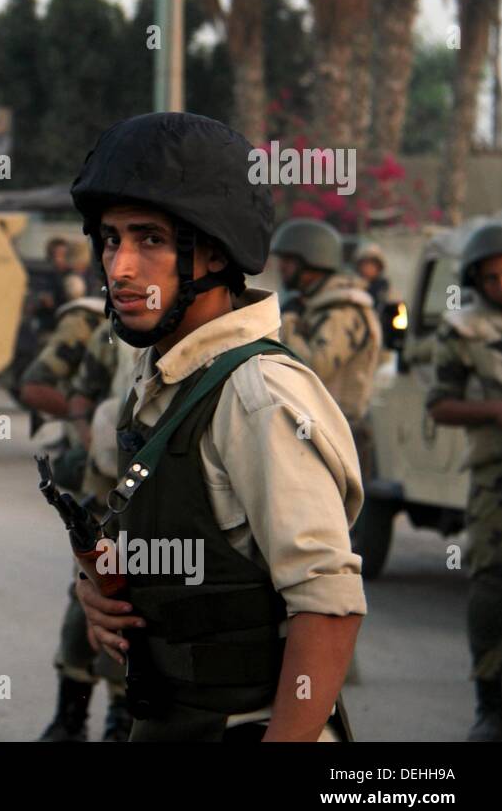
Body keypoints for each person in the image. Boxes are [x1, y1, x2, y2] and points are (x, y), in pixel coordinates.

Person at [69, 112, 365, 742]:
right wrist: (103, 594)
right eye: (110, 238)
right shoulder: (159, 379)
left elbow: (330, 607)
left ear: (213, 251)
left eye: (149, 239)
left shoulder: (257, 396)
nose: (119, 267)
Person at [21, 311, 133, 741]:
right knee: (84, 605)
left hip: (162, 500)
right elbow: (81, 399)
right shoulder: (110, 335)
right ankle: (71, 718)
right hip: (106, 487)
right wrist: (95, 438)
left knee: (134, 614)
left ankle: (122, 721)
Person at [426, 221, 502, 742]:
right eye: (491, 275)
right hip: (496, 475)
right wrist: (494, 410)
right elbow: (440, 404)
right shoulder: (463, 328)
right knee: (490, 581)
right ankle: (490, 704)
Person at [270, 219, 382, 479]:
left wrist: (288, 323)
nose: (282, 268)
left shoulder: (344, 310)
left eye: (289, 261)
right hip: (315, 428)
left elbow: (313, 367)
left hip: (337, 432)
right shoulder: (315, 306)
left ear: (313, 261)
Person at [353, 241, 390, 307]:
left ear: (379, 268)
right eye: (366, 263)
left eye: (373, 264)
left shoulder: (383, 287)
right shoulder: (353, 284)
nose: (369, 268)